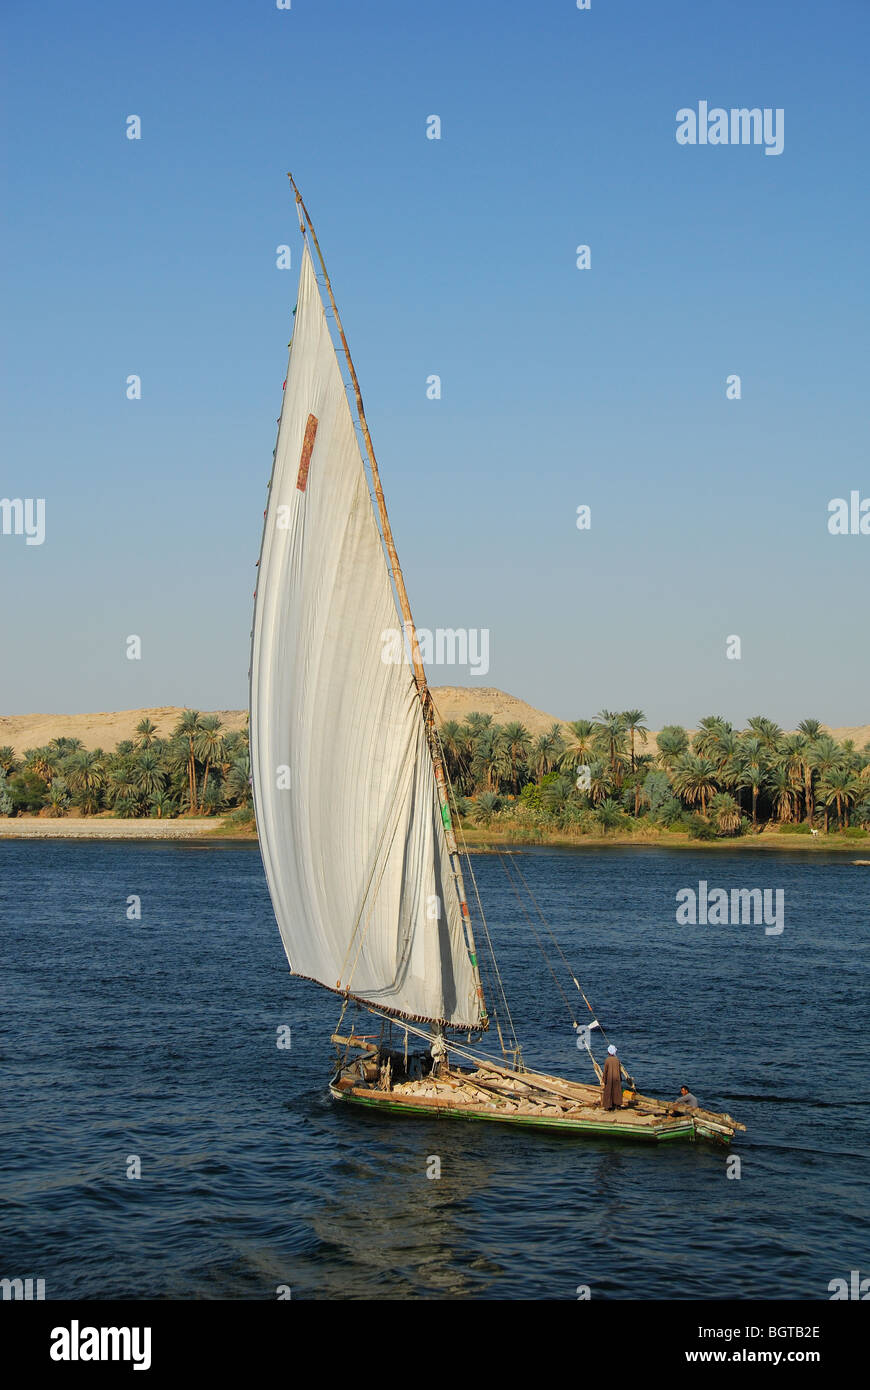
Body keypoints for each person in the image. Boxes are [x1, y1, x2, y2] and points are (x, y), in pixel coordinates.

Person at [601, 1044, 622, 1111]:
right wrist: (620, 1078)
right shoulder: (617, 1060)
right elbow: (619, 1070)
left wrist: (604, 1080)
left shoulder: (607, 1060)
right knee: (617, 1091)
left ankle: (608, 1106)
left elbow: (605, 1071)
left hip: (610, 1078)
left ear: (608, 1052)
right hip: (617, 1078)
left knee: (608, 1091)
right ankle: (617, 1105)